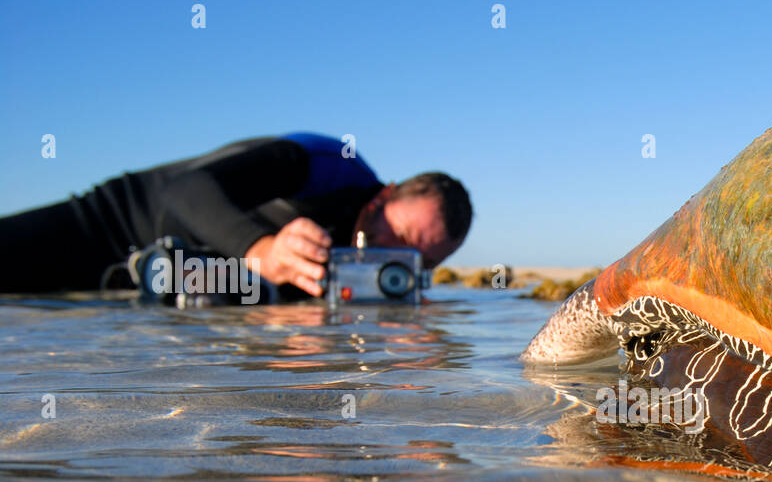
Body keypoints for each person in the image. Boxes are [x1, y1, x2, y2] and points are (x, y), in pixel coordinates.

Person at [0, 132, 472, 297]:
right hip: (111, 223)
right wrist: (261, 250)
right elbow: (186, 191)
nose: (394, 257)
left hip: (150, 284)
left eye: (419, 263)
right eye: (400, 234)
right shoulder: (329, 168)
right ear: (382, 196)